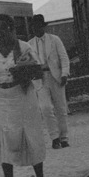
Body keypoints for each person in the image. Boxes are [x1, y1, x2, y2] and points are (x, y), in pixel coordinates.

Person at [0, 14, 48, 177]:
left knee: (30, 136)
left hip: (23, 98)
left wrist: (22, 73)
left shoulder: (24, 47)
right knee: (4, 140)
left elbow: (37, 71)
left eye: (2, 28)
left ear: (11, 29)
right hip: (2, 99)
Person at [28, 14, 72, 149]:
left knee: (61, 108)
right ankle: (54, 137)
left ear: (43, 26)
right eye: (33, 27)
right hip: (40, 79)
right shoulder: (29, 44)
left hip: (56, 77)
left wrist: (64, 73)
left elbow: (64, 58)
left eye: (38, 26)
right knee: (45, 108)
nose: (36, 29)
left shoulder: (54, 40)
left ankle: (64, 137)